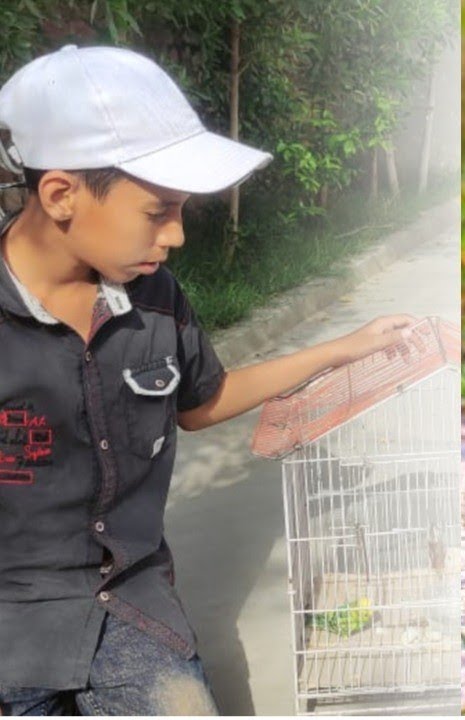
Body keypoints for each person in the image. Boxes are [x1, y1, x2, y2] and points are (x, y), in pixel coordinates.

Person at [0, 45, 415, 715]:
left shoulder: (156, 297)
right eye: (157, 211)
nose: (176, 236)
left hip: (130, 607)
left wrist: (347, 348)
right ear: (60, 195)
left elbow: (201, 402)